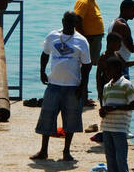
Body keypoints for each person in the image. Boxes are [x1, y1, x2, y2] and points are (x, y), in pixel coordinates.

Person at [33, 13, 91, 162]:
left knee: (71, 120)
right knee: (47, 117)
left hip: (72, 86)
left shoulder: (82, 41)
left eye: (73, 22)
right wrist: (42, 71)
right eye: (67, 21)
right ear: (63, 21)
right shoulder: (53, 36)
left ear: (75, 23)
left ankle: (66, 151)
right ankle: (43, 151)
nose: (69, 24)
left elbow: (86, 66)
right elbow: (45, 54)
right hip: (54, 84)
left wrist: (83, 87)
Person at [97, 55, 134, 172]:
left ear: (117, 69)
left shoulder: (126, 85)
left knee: (121, 159)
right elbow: (106, 105)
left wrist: (115, 107)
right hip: (107, 127)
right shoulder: (107, 87)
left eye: (109, 69)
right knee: (110, 158)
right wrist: (103, 111)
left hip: (120, 128)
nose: (107, 73)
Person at [72, 0, 106, 67]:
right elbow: (77, 20)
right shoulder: (84, 1)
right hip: (89, 40)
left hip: (93, 40)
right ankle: (81, 80)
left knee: (88, 65)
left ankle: (83, 80)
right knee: (85, 65)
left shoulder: (91, 0)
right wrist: (84, 39)